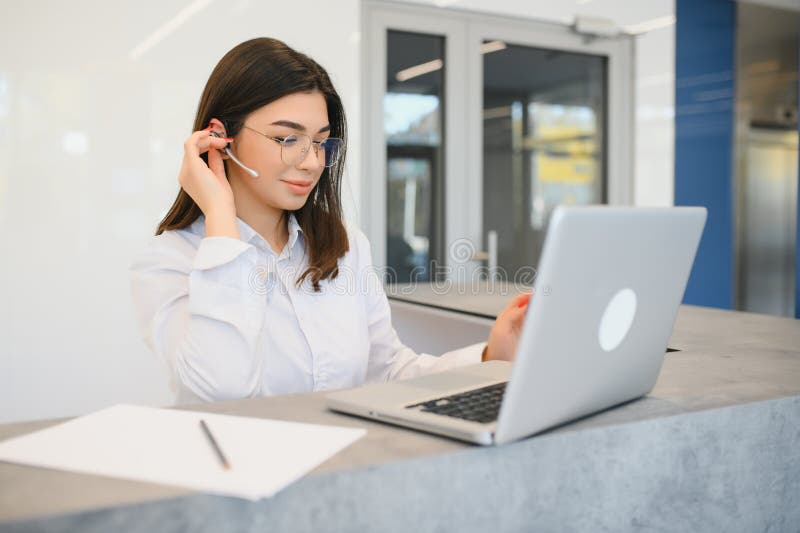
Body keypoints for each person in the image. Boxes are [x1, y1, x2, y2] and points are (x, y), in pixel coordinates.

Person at [130, 37, 530, 404]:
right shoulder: (170, 261)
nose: (311, 162)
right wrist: (220, 214)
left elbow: (386, 372)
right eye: (287, 138)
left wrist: (490, 355)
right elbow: (224, 391)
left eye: (320, 142)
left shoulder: (344, 245)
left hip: (341, 470)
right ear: (220, 136)